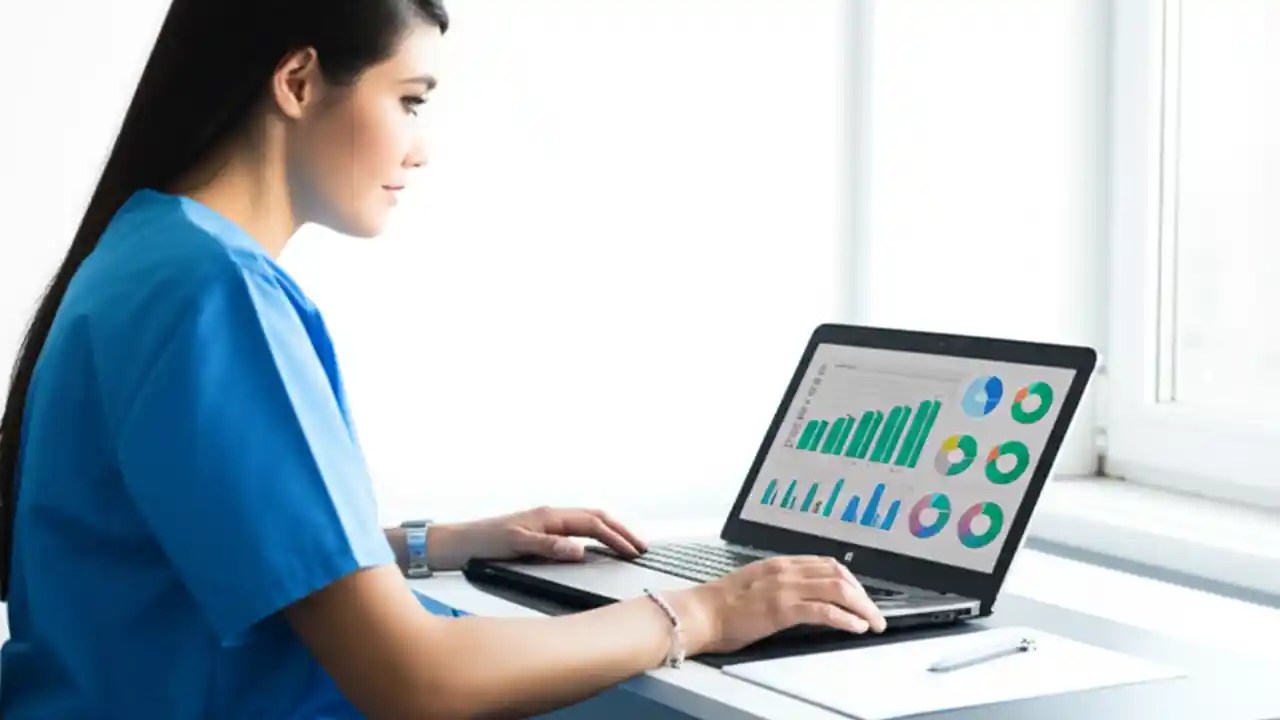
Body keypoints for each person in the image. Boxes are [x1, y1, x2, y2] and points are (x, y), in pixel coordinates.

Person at [0, 1, 886, 717]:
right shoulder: (214, 294)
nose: (419, 147)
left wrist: (439, 544)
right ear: (299, 81)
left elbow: (181, 542)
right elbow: (414, 681)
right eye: (410, 99)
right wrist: (702, 611)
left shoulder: (143, 251)